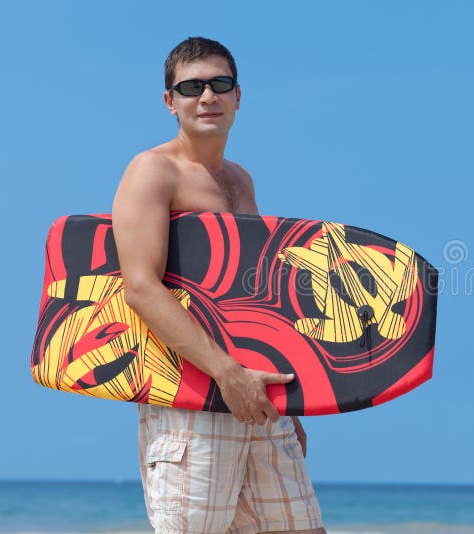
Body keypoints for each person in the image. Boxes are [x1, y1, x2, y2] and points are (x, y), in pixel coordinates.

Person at [112, 36, 326, 534]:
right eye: (192, 87)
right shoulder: (153, 171)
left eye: (220, 84)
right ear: (170, 101)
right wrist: (227, 374)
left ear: (238, 96)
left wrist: (291, 407)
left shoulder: (241, 181)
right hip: (192, 399)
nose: (207, 96)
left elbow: (252, 297)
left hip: (257, 393)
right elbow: (140, 287)